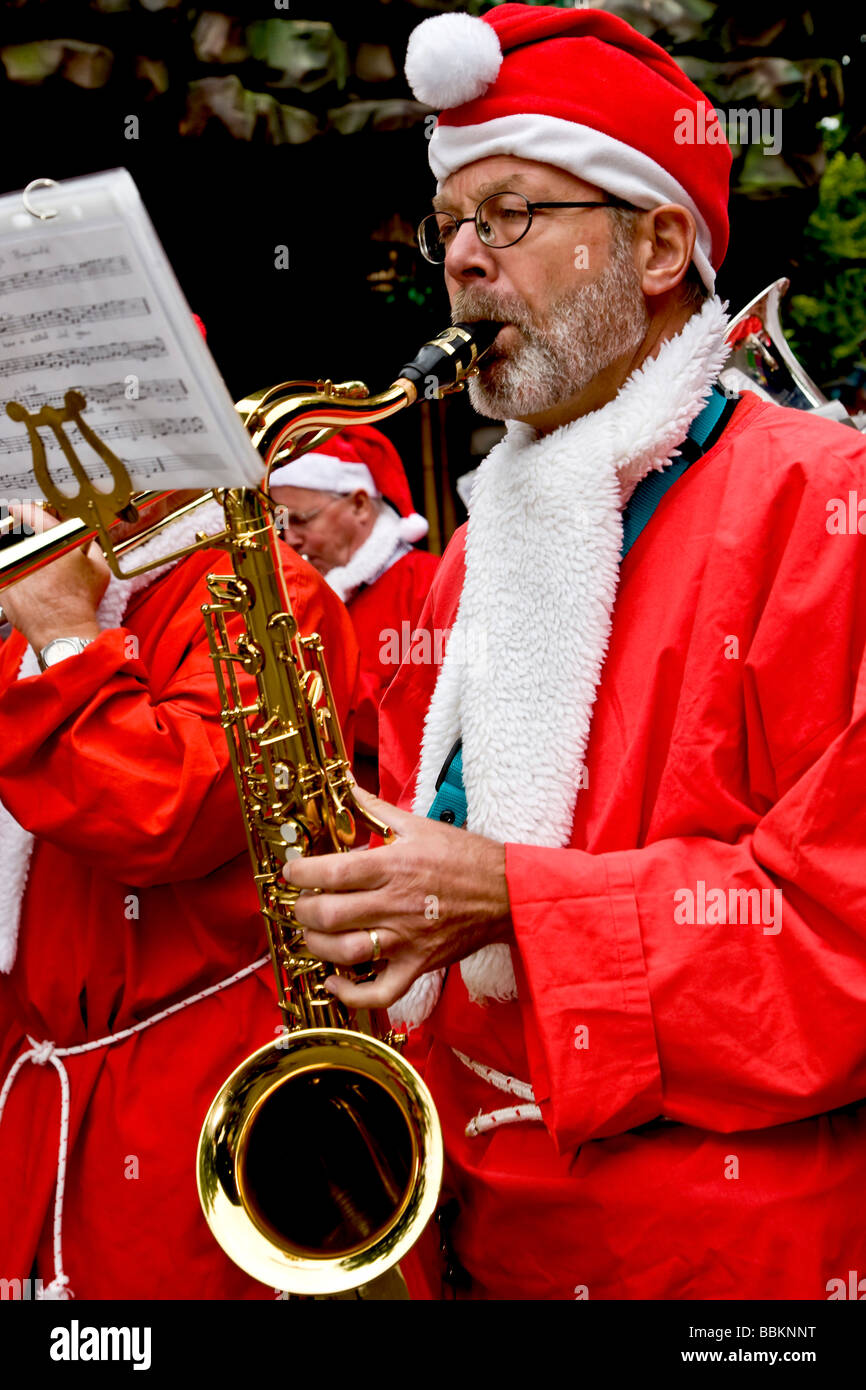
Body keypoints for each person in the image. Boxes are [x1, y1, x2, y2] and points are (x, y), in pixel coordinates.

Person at [281, 3, 866, 1301]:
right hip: (480, 1219)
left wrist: (516, 899)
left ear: (660, 243)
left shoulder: (831, 506)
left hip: (722, 1268)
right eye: (448, 228)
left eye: (510, 215)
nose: (463, 261)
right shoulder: (494, 534)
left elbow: (844, 942)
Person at [0, 489, 359, 1299]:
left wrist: (63, 636)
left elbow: (164, 815)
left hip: (197, 1107)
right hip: (48, 1106)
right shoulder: (49, 599)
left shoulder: (265, 590)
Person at [270, 426, 438, 791]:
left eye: (301, 519)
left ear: (359, 504)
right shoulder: (303, 591)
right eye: (282, 523)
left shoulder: (428, 583)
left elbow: (424, 725)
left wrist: (301, 674)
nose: (290, 539)